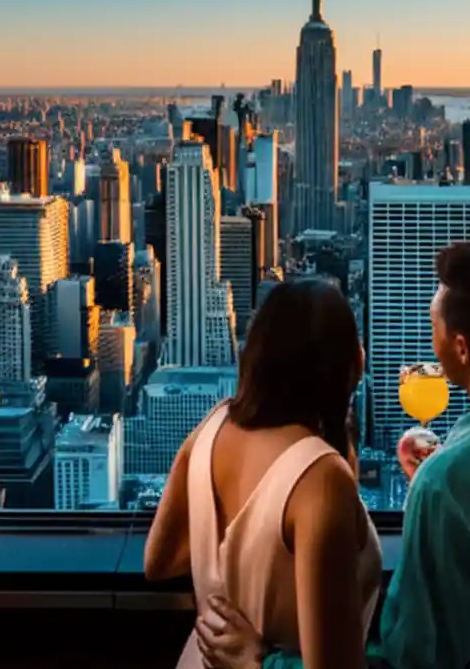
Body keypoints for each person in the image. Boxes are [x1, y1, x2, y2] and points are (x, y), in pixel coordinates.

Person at [197, 242, 470, 668]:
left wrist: (260, 662)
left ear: (461, 348)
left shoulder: (451, 485)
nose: (431, 340)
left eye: (434, 325)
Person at [144, 279, 381, 669]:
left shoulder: (213, 427)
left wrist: (233, 572)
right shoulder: (320, 479)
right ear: (346, 363)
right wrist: (259, 658)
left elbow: (158, 561)